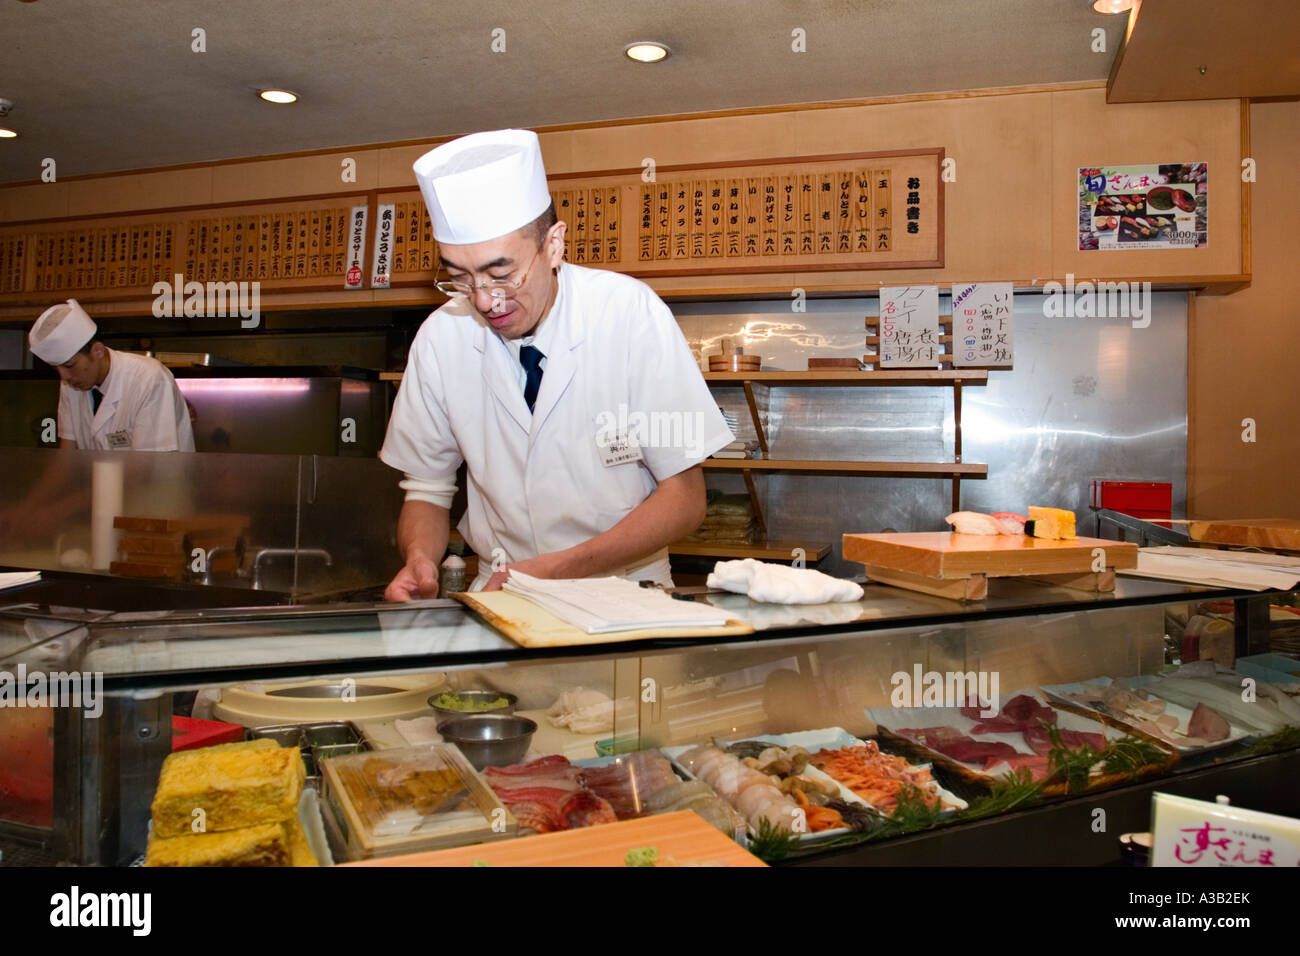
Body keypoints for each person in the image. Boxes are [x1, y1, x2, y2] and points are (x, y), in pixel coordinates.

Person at [380, 129, 732, 599]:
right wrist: (420, 560)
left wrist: (556, 570)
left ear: (554, 244)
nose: (485, 300)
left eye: (501, 274)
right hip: (500, 593)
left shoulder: (630, 314)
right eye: (460, 278)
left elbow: (685, 500)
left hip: (622, 592)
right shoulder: (441, 338)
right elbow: (427, 489)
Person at [28, 298, 195, 452]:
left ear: (97, 351)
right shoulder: (73, 382)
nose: (64, 377)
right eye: (56, 369)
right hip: (102, 483)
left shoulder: (150, 379)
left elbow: (147, 466)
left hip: (160, 483)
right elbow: (67, 457)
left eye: (69, 365)